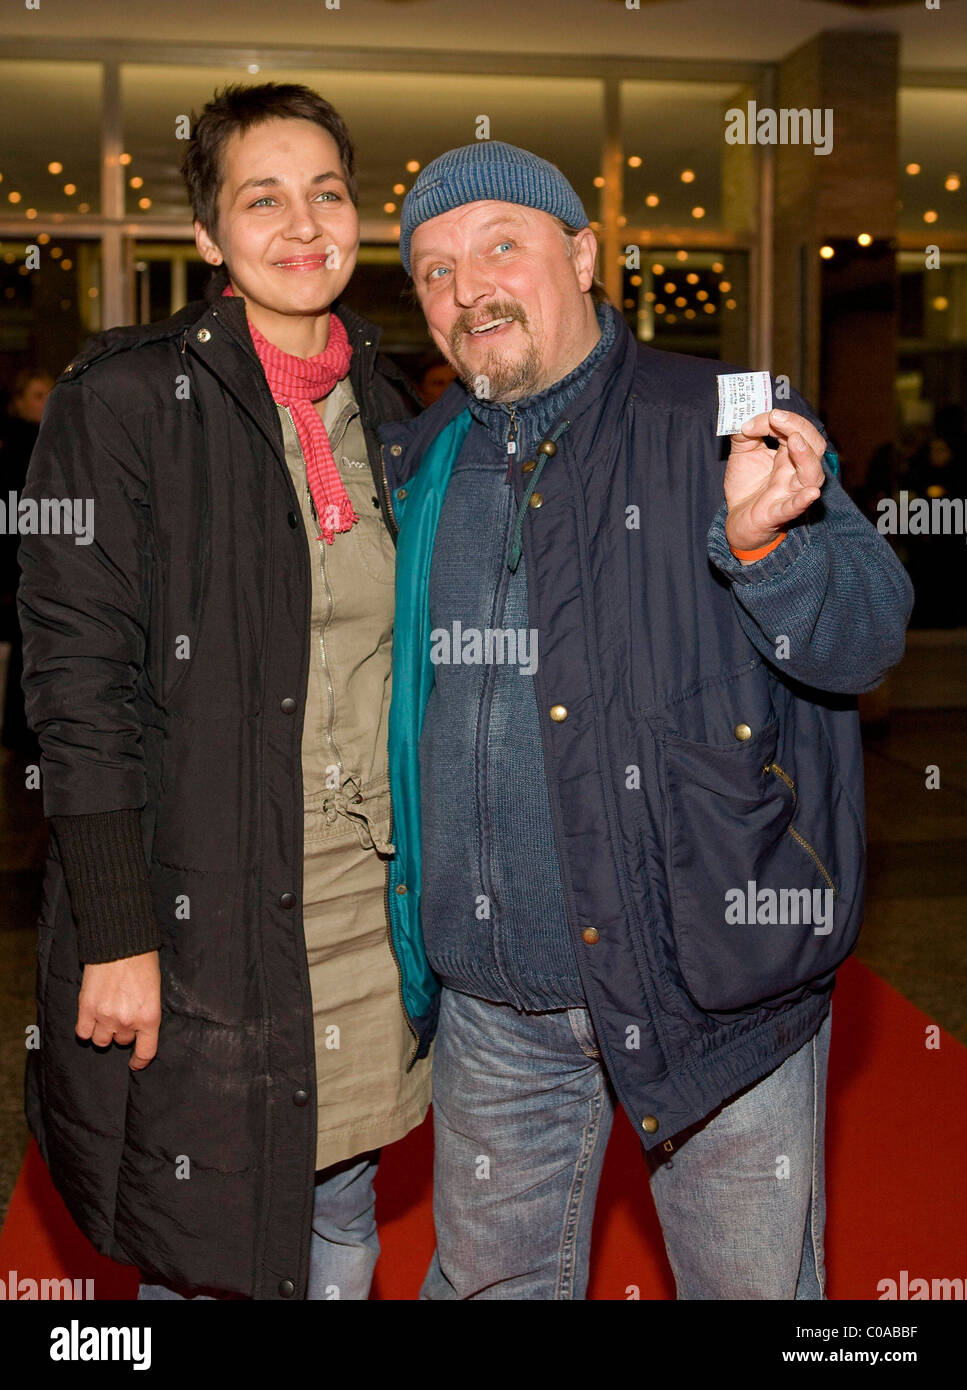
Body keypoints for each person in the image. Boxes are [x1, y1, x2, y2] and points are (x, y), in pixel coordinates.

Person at [378, 141, 914, 1299]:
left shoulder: (727, 418)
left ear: (581, 254)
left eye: (499, 248)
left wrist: (766, 551)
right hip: (495, 1003)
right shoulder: (419, 461)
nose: (467, 290)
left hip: (713, 982)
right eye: (432, 271)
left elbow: (867, 636)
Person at [17, 82, 431, 1301]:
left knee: (342, 1203)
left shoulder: (395, 412)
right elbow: (76, 682)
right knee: (209, 1251)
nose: (303, 225)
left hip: (364, 905)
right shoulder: (127, 403)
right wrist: (117, 930)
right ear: (207, 236)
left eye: (328, 193)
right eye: (263, 198)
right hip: (201, 914)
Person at [0, 369, 51, 759]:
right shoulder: (22, 444)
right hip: (25, 560)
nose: (45, 401)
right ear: (18, 402)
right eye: (36, 395)